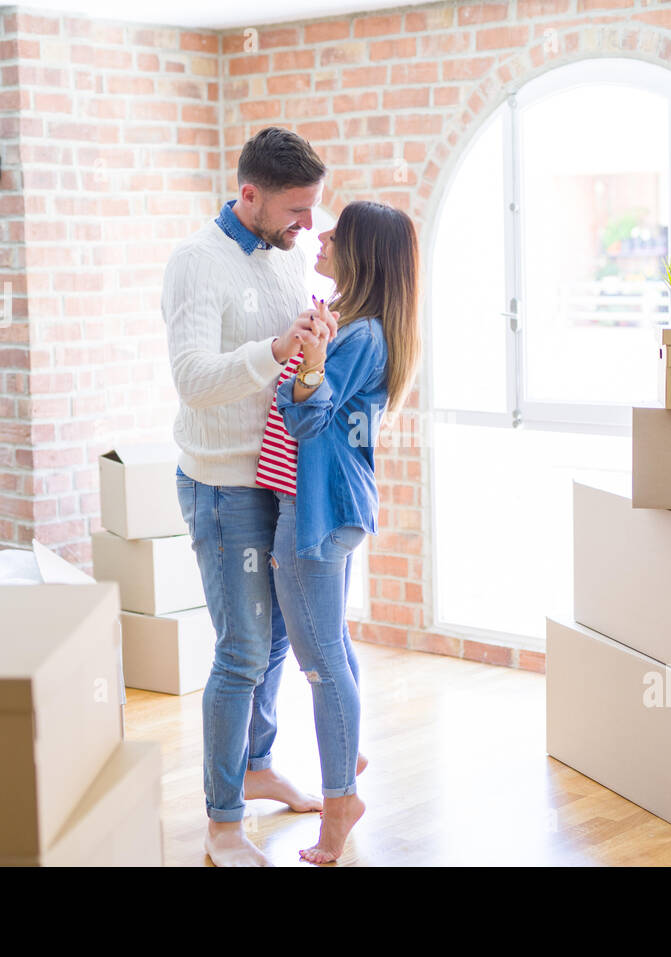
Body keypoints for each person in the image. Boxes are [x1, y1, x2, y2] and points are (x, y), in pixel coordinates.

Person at [162, 127, 338, 867]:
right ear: (248, 195)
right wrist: (273, 351)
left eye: (313, 213)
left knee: (271, 643)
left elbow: (291, 354)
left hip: (276, 476)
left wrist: (314, 337)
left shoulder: (290, 255)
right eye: (296, 211)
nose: (307, 228)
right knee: (239, 651)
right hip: (220, 486)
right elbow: (195, 380)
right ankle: (222, 819)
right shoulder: (195, 263)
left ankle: (257, 763)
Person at [257, 201, 421, 863]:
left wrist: (309, 360)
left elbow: (305, 418)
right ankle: (344, 752)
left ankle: (339, 802)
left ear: (362, 252)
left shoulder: (359, 336)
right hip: (334, 505)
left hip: (318, 508)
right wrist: (310, 353)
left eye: (335, 231)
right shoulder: (363, 327)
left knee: (321, 662)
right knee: (332, 647)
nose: (320, 236)